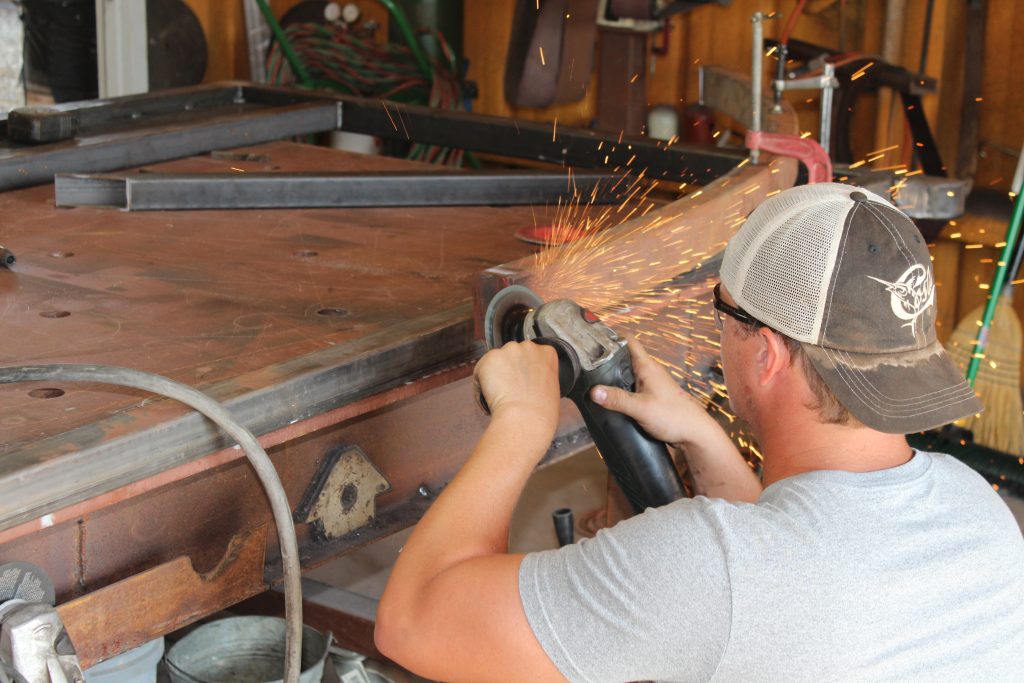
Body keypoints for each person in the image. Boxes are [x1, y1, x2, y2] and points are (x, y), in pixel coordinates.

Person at [374, 183, 1024, 682]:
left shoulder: (712, 566)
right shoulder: (981, 508)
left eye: (724, 310)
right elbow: (792, 575)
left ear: (766, 354)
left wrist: (523, 420)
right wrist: (704, 436)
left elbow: (412, 621)